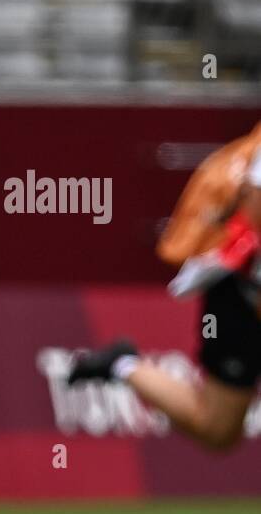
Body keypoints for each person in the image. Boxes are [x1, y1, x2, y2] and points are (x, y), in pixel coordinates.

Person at [69, 123, 261, 450]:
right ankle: (123, 365)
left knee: (218, 433)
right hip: (242, 288)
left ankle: (122, 364)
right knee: (216, 429)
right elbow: (255, 220)